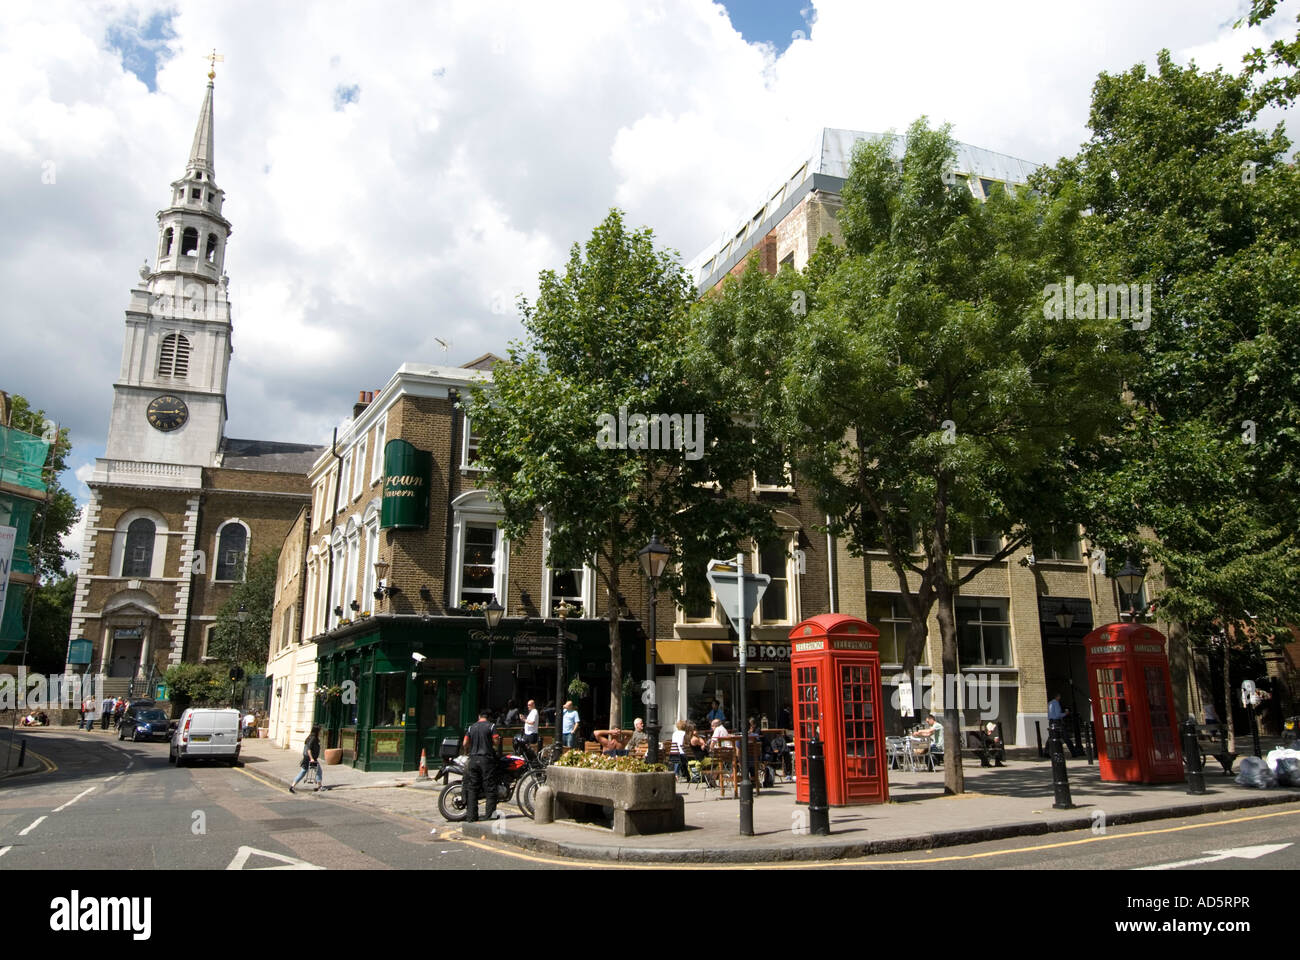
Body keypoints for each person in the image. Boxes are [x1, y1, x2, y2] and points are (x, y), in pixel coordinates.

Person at [461, 709, 500, 822]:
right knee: (490, 788)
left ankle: (472, 816)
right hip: (486, 759)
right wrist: (493, 744)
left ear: (479, 716)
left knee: (473, 788)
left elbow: (465, 743)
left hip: (473, 759)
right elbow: (496, 740)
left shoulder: (471, 727)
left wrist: (468, 750)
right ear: (488, 717)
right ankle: (490, 816)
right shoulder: (491, 726)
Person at [290, 725, 324, 793]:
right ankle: (319, 786)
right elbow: (309, 749)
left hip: (308, 758)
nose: (321, 732)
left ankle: (292, 787)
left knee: (314, 771)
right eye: (320, 730)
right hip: (310, 758)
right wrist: (311, 759)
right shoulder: (313, 738)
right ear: (317, 731)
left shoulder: (311, 737)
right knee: (315, 771)